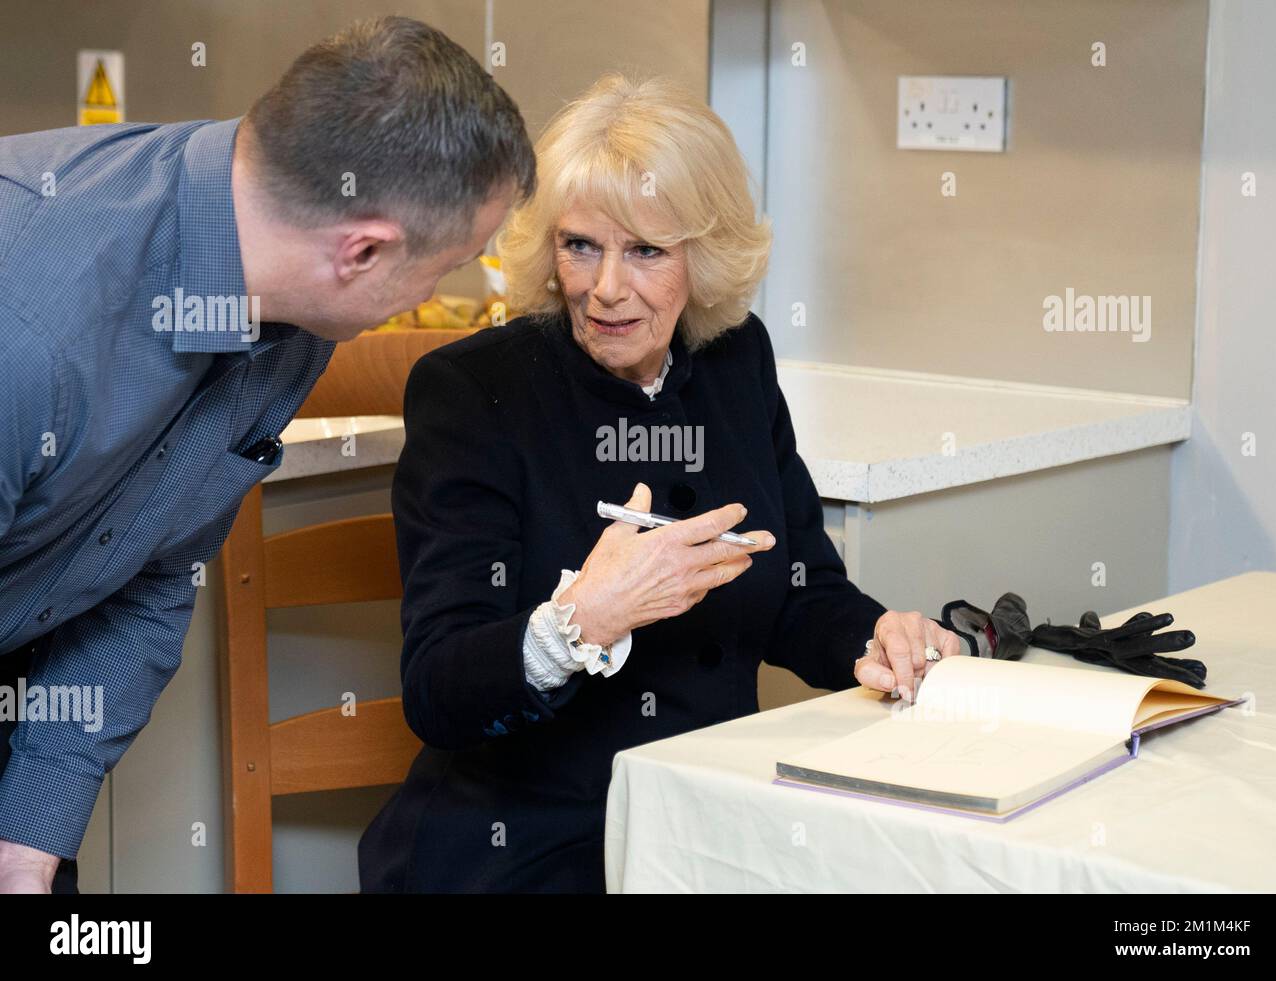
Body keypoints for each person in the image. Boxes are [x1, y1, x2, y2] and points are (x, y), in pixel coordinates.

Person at [359, 74, 960, 893]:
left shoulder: (734, 359)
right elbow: (437, 694)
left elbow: (797, 592)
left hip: (706, 826)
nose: (607, 288)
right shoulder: (475, 393)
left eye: (645, 250)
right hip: (528, 846)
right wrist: (580, 621)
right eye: (580, 245)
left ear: (703, 255)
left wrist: (878, 639)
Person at [0, 16, 535, 894]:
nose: (438, 297)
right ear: (363, 250)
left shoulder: (286, 303)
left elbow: (149, 574)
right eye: (453, 267)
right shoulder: (29, 328)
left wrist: (27, 843)